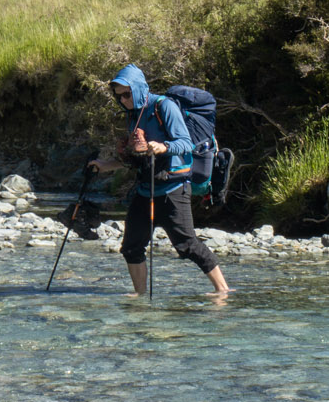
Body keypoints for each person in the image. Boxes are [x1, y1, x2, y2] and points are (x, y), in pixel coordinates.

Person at [92, 64, 230, 297]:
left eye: (127, 94)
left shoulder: (164, 107)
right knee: (131, 248)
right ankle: (139, 297)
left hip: (174, 188)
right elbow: (136, 159)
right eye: (119, 97)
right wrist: (105, 166)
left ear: (137, 89)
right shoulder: (133, 116)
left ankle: (223, 291)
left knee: (187, 246)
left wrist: (163, 147)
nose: (123, 100)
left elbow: (185, 143)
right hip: (146, 189)